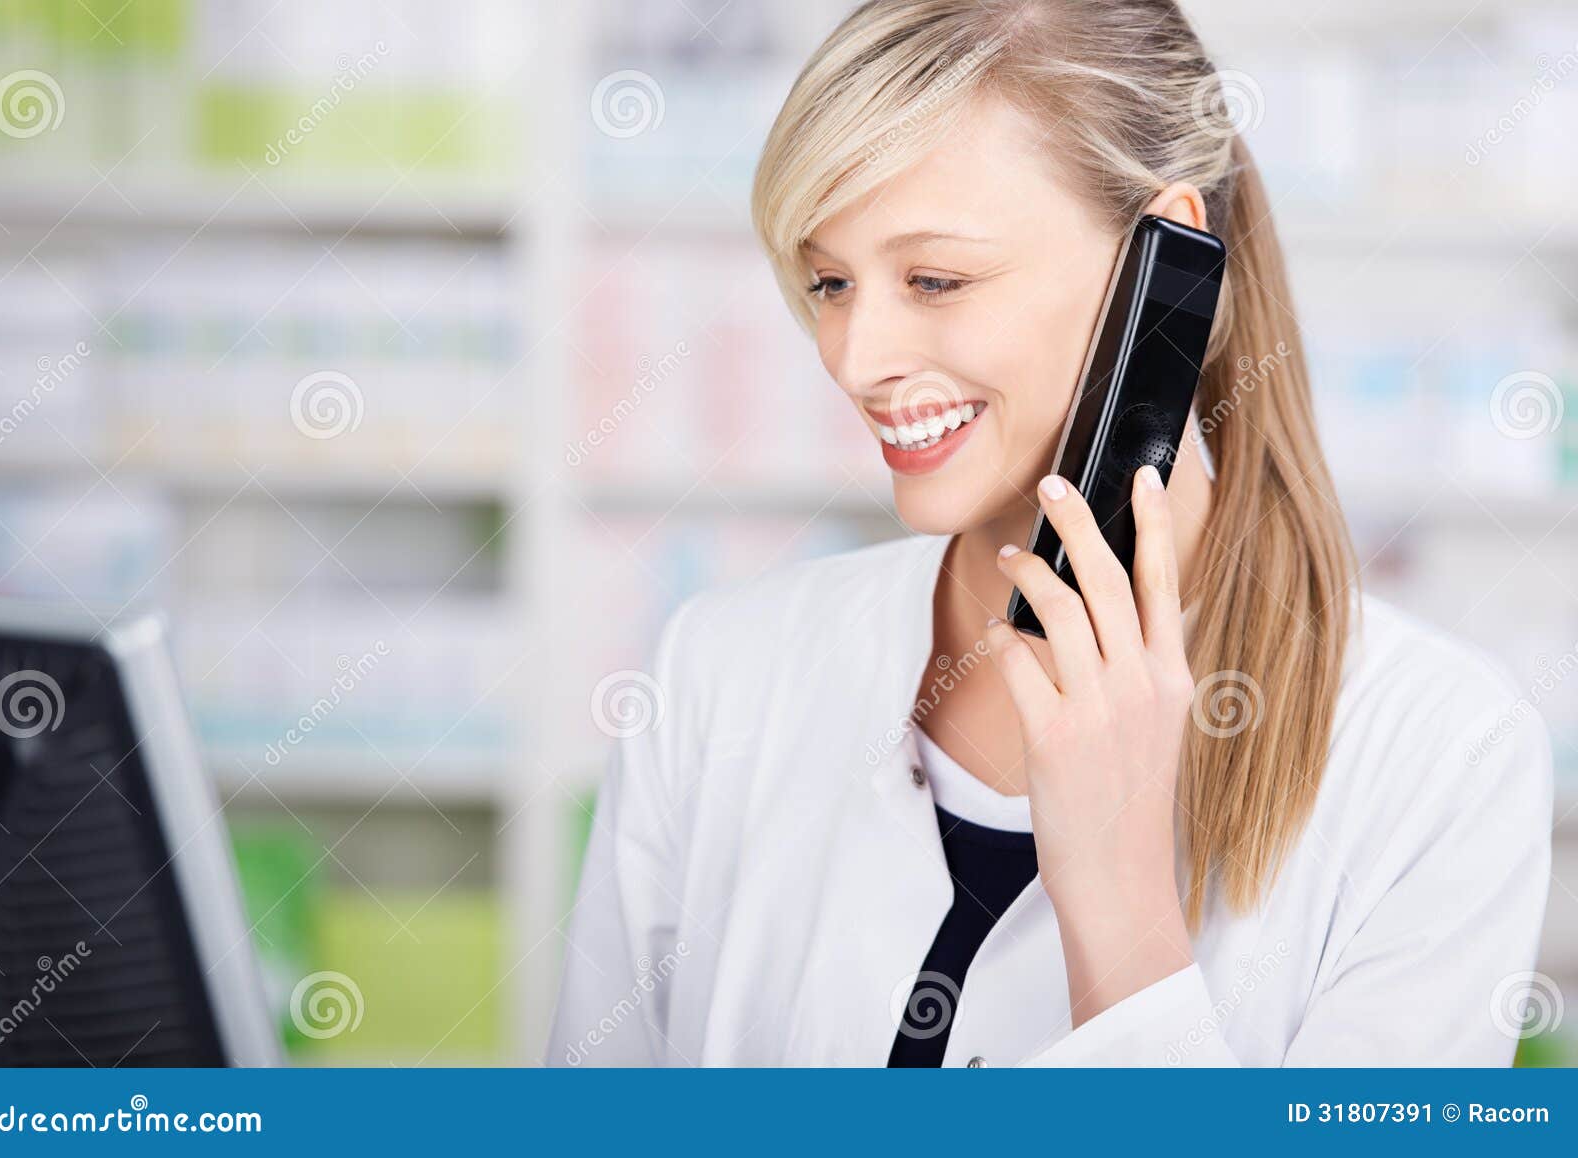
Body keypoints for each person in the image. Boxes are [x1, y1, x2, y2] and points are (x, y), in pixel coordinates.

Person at [547, 0, 1554, 1066]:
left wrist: (1119, 895)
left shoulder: (1438, 753)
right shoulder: (719, 675)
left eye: (935, 279)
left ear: (1164, 264)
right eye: (829, 282)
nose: (853, 359)